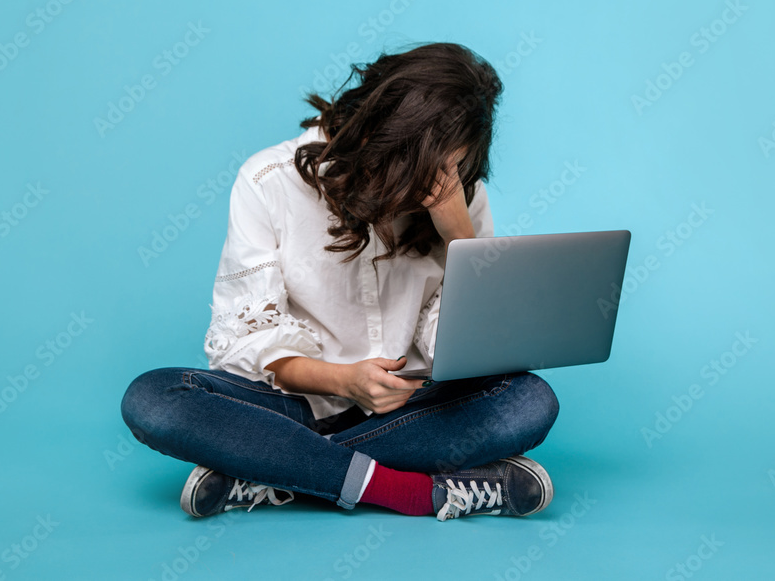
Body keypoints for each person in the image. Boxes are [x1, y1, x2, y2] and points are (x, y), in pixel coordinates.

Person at [120, 42, 560, 522]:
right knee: (153, 398)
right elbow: (252, 339)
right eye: (423, 170)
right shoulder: (268, 180)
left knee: (530, 400)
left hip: (409, 408)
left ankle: (266, 466)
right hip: (292, 405)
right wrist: (346, 381)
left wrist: (460, 237)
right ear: (384, 136)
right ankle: (410, 491)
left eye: (452, 171)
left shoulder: (458, 197)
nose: (435, 187)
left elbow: (472, 352)